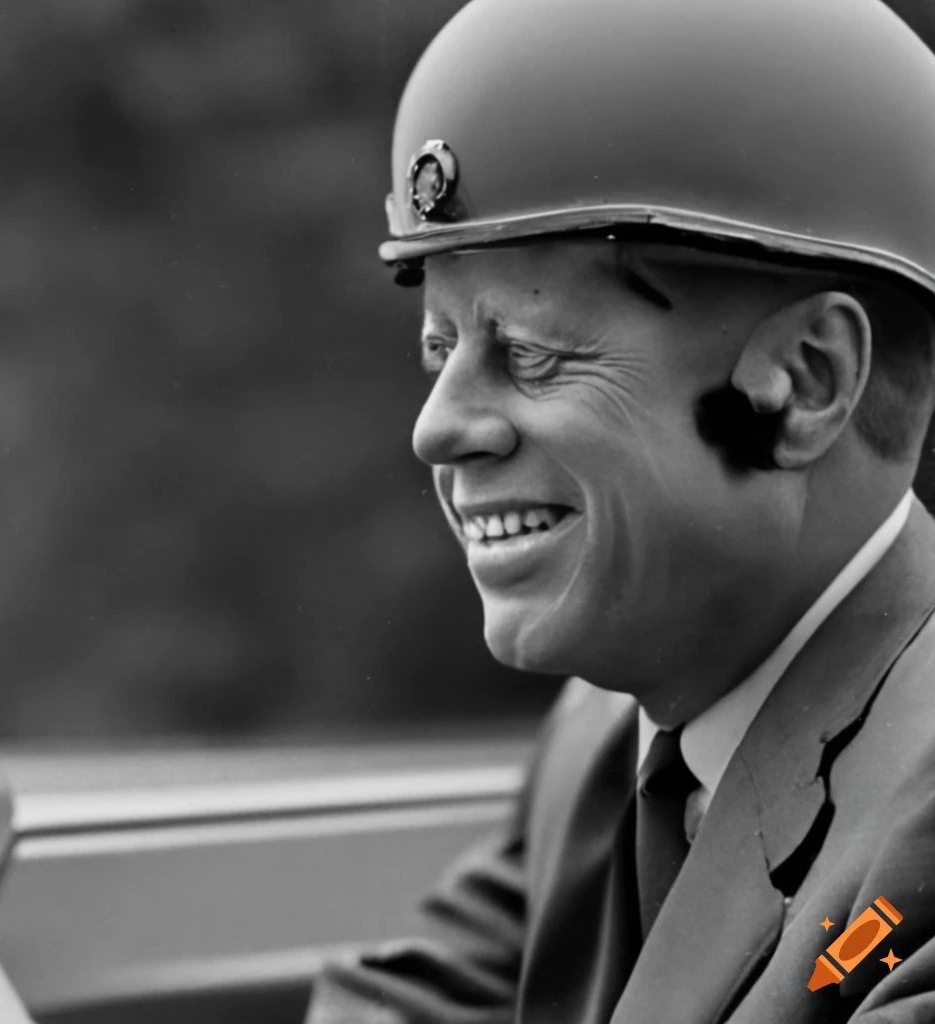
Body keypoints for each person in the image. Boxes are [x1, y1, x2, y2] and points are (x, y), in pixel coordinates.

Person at [305, 0, 935, 1020]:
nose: (437, 427)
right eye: (439, 349)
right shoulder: (613, 725)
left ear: (806, 382)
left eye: (530, 355)